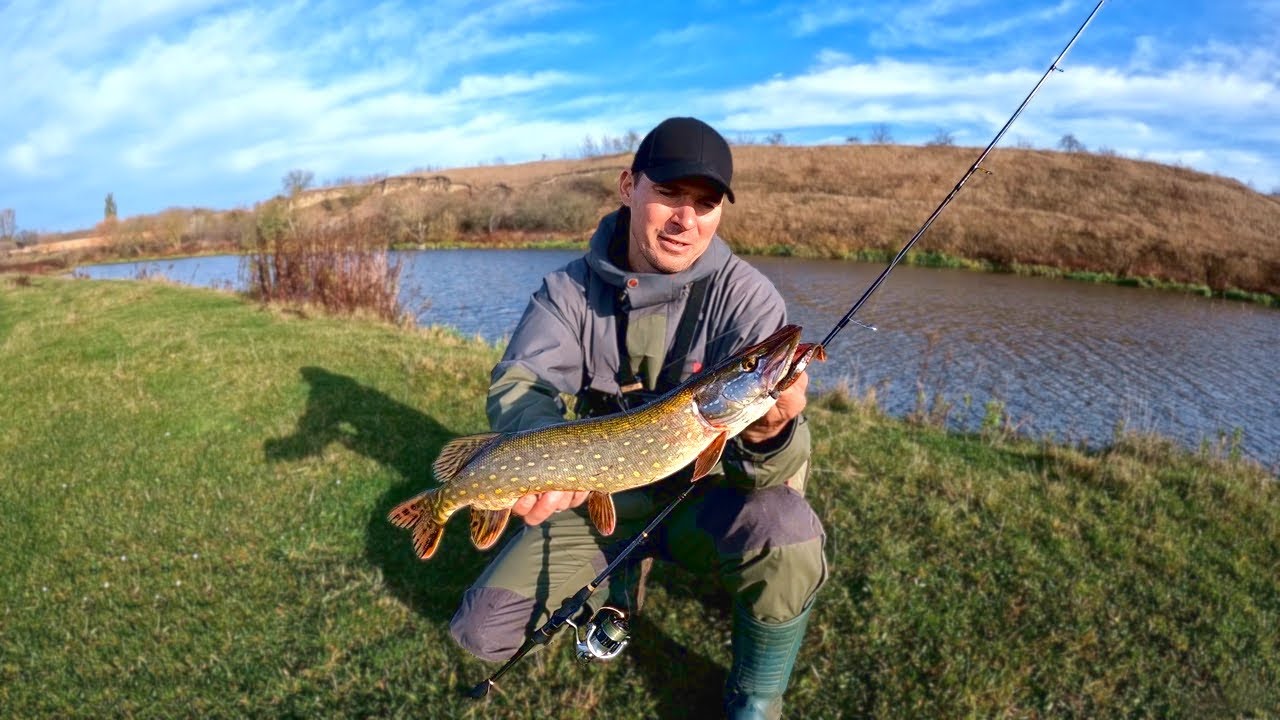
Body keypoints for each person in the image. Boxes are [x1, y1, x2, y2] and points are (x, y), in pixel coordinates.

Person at [449, 117, 827, 719]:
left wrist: (770, 430)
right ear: (629, 186)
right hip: (600, 497)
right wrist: (539, 457)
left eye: (705, 205)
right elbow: (523, 384)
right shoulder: (566, 291)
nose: (686, 220)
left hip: (702, 502)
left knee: (786, 532)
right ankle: (620, 581)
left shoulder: (749, 300)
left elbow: (768, 479)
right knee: (481, 633)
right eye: (670, 194)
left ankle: (756, 699)